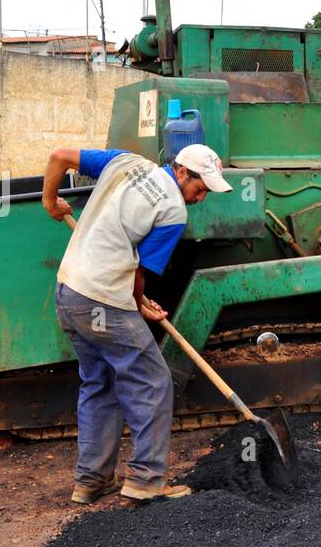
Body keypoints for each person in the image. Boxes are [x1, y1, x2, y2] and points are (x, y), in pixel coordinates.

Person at [41, 143, 232, 504]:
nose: (201, 196)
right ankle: (146, 478)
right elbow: (139, 273)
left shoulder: (125, 162)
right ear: (180, 172)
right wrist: (137, 307)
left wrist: (50, 203)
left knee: (100, 382)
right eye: (200, 187)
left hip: (70, 293)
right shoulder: (173, 211)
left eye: (207, 190)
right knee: (154, 381)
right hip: (104, 300)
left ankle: (91, 481)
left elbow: (59, 157)